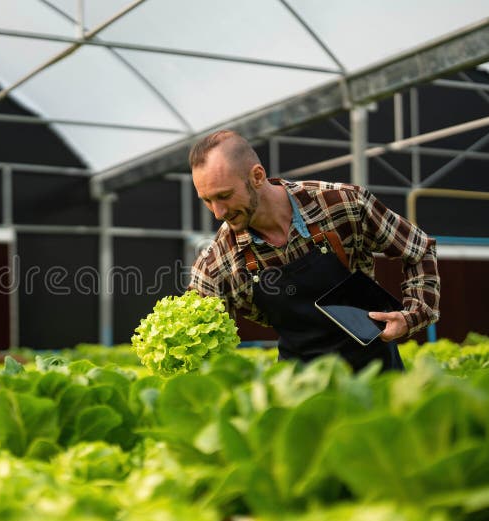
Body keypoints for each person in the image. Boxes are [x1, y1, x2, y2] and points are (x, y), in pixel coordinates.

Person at [187, 130, 440, 371]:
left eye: (224, 195)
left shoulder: (341, 204)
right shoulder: (217, 262)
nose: (218, 212)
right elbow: (195, 335)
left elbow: (419, 250)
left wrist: (412, 315)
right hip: (302, 392)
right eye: (207, 200)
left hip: (377, 375)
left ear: (257, 176)